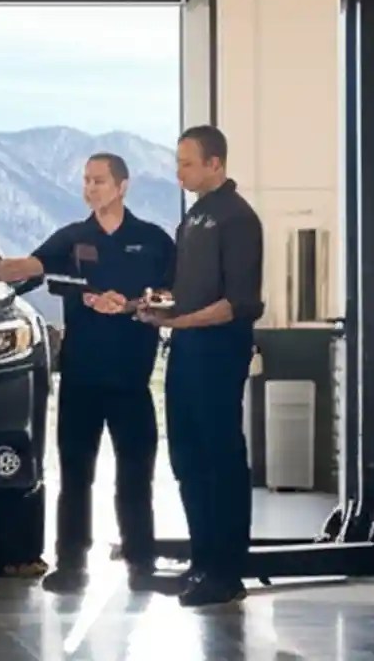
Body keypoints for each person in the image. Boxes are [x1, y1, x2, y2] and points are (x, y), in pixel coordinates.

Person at [0, 152, 175, 593]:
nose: (90, 189)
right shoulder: (71, 239)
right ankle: (71, 565)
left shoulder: (153, 240)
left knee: (135, 475)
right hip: (79, 380)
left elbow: (173, 292)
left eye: (99, 181)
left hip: (132, 380)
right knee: (75, 475)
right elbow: (29, 267)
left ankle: (141, 564)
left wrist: (131, 304)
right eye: (86, 181)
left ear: (122, 185)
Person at [136, 125, 264, 607]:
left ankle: (227, 574)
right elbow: (179, 291)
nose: (179, 172)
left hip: (218, 351)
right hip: (187, 350)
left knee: (219, 460)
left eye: (187, 163)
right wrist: (144, 306)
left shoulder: (237, 218)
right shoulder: (193, 219)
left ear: (216, 163)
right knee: (188, 459)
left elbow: (239, 302)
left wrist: (184, 322)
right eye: (177, 162)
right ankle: (202, 564)